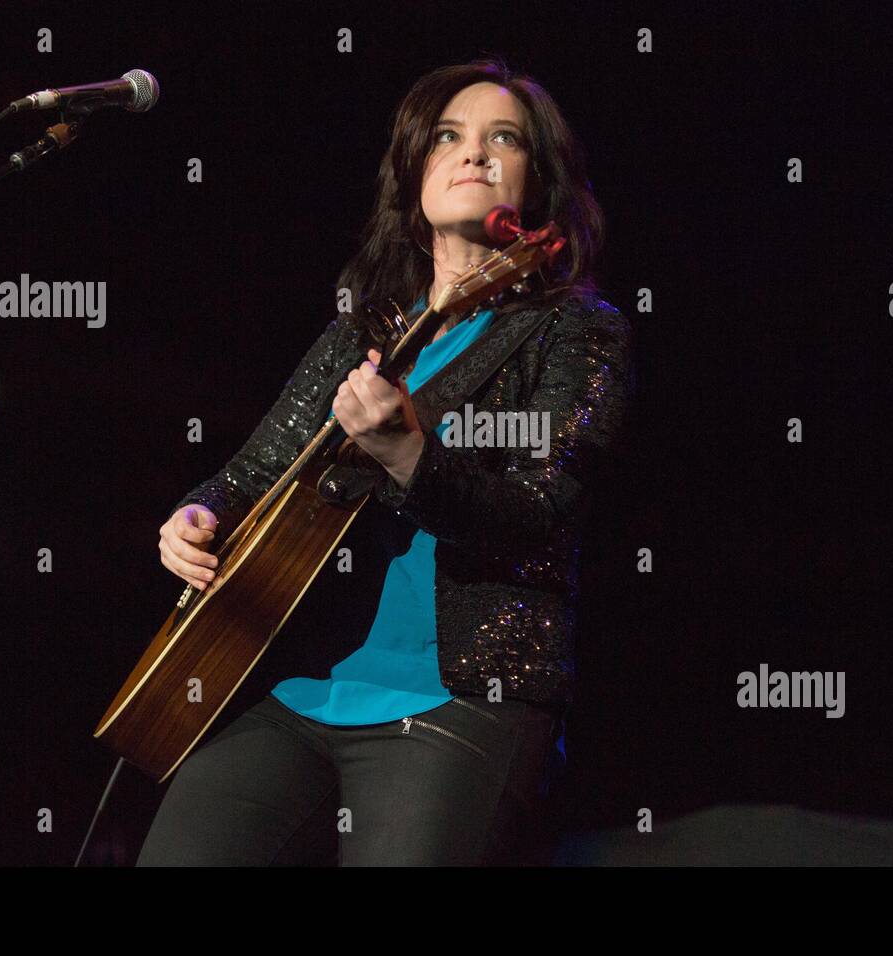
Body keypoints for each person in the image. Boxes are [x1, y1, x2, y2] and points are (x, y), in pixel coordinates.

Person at [136, 57, 636, 866]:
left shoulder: (575, 330)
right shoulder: (363, 331)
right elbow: (249, 474)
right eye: (447, 136)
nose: (471, 154)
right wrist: (195, 517)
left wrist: (409, 452)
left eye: (501, 139)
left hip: (457, 701)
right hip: (295, 684)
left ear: (536, 188)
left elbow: (540, 513)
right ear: (415, 173)